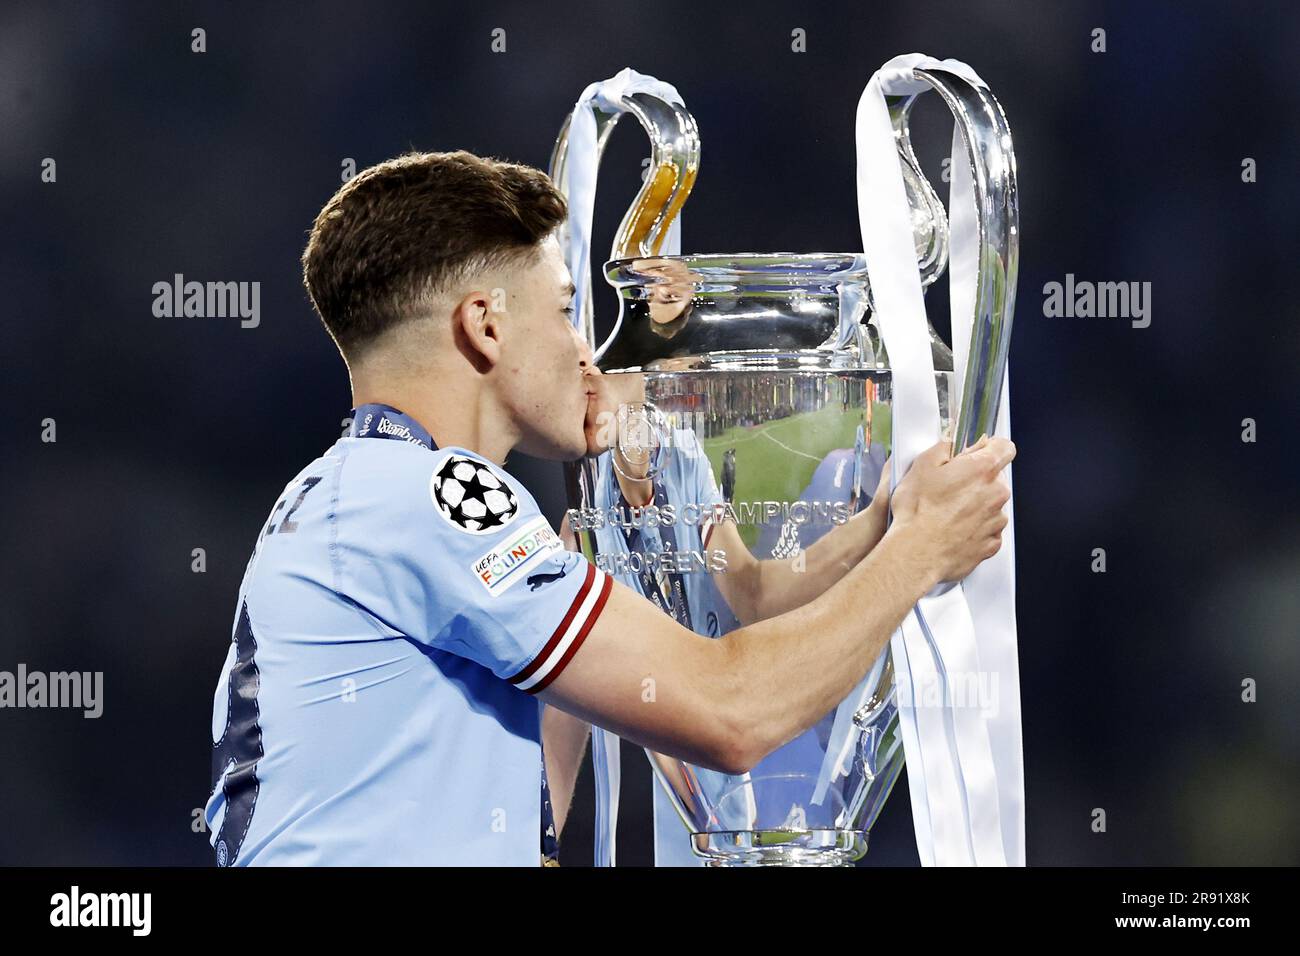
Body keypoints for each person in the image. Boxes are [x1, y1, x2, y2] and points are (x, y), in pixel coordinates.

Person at [203, 150, 1015, 866]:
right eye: (562, 310)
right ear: (485, 326)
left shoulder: (353, 493)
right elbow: (732, 715)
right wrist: (922, 550)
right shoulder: (432, 497)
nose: (584, 348)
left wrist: (590, 556)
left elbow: (524, 827)